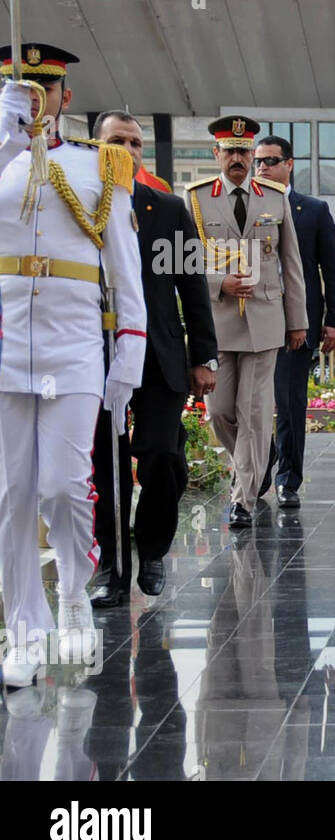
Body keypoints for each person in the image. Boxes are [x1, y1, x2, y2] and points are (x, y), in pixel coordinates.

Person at [0, 45, 144, 685]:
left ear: (63, 96)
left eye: (41, 88)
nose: (32, 97)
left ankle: (74, 594)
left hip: (75, 343)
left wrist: (129, 353)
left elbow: (124, 266)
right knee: (12, 495)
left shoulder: (100, 166)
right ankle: (24, 630)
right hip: (7, 341)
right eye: (18, 87)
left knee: (61, 485)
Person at [88, 110, 219, 608]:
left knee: (162, 456)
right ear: (97, 147)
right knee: (108, 465)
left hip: (159, 358)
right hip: (97, 357)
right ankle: (113, 569)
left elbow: (192, 286)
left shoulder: (166, 210)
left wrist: (204, 355)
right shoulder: (80, 205)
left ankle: (155, 547)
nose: (127, 150)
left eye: (136, 143)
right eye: (116, 141)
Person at [185, 115, 308, 529]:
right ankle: (256, 461)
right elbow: (185, 265)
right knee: (220, 411)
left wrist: (298, 321)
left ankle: (243, 499)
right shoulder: (197, 199)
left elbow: (291, 263)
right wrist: (219, 281)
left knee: (254, 412)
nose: (237, 158)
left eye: (243, 151)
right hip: (217, 322)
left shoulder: (274, 197)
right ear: (216, 154)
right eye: (229, 151)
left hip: (265, 319)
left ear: (252, 154)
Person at [252, 133, 335, 508]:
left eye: (271, 161)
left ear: (289, 165)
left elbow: (333, 270)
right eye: (259, 161)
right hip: (253, 322)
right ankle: (258, 466)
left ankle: (288, 478)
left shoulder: (313, 210)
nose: (263, 168)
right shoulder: (245, 206)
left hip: (297, 322)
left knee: (289, 403)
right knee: (250, 404)